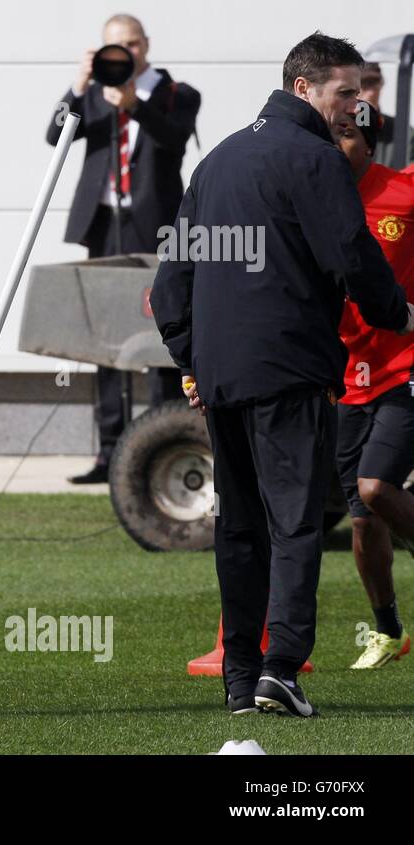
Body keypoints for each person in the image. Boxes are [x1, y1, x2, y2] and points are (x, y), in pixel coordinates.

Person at [150, 32, 414, 717]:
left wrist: (193, 361)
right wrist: (399, 314)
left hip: (221, 377)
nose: (356, 106)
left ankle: (241, 680)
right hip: (290, 370)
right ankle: (281, 670)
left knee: (238, 527)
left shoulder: (217, 161)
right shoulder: (316, 158)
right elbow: (351, 255)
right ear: (304, 87)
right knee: (294, 524)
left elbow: (171, 284)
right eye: (346, 92)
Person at [46, 13, 201, 484]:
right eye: (115, 46)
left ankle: (161, 443)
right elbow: (55, 134)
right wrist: (77, 88)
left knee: (160, 332)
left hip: (156, 226)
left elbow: (174, 141)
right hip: (104, 225)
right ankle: (110, 452)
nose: (126, 53)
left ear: (146, 44)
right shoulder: (95, 93)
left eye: (132, 44)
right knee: (107, 339)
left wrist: (135, 105)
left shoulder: (176, 93)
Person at [333, 109, 414, 669]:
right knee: (363, 521)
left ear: (368, 144)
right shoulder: (312, 200)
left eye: (346, 134)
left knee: (377, 487)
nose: (334, 143)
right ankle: (388, 631)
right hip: (347, 379)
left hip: (405, 367)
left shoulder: (403, 193)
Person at [360, 62, 414, 170]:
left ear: (381, 83)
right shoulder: (335, 131)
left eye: (374, 82)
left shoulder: (404, 133)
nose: (371, 92)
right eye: (363, 83)